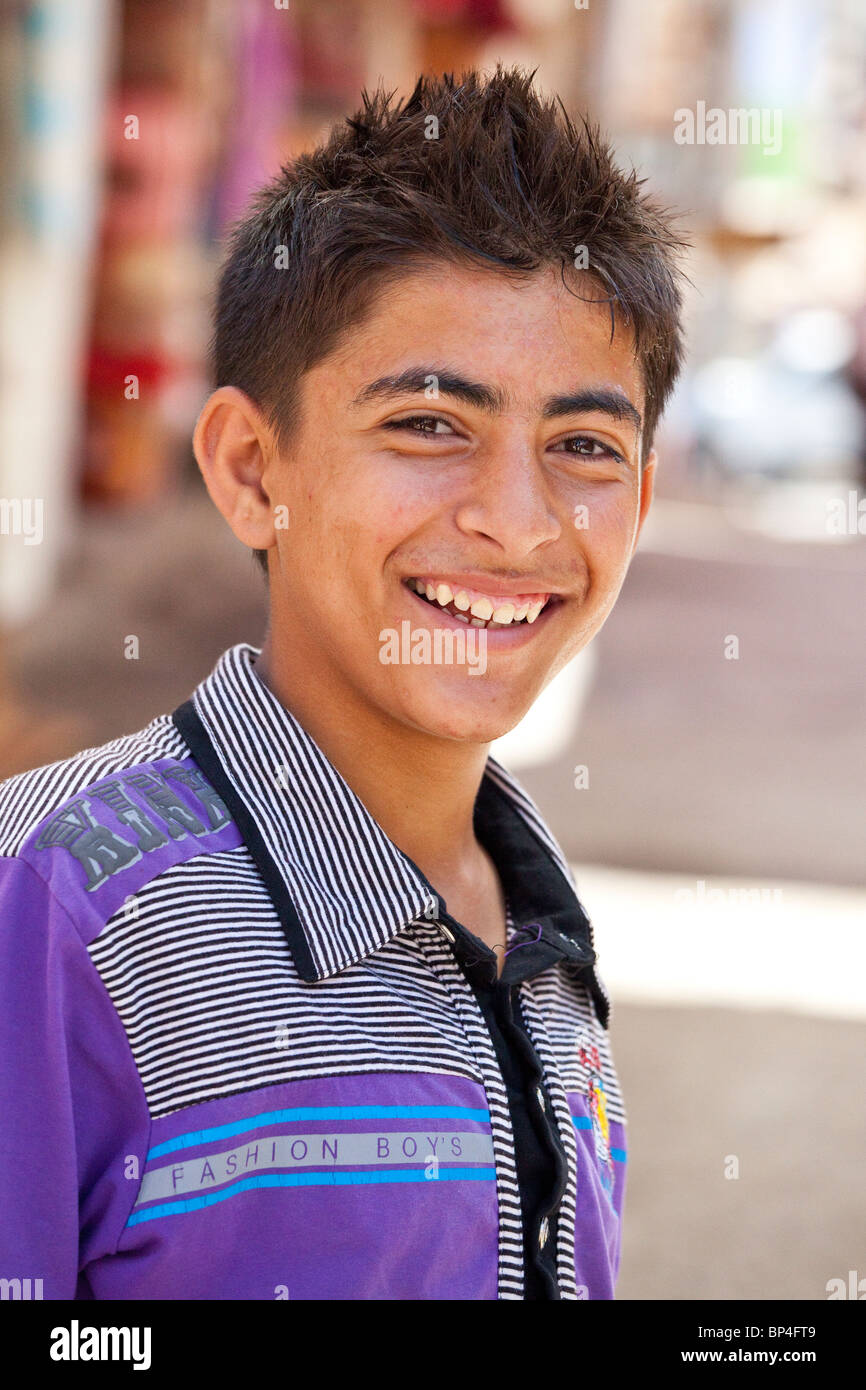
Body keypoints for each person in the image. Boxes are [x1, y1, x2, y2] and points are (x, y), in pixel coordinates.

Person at [0, 65, 685, 1300]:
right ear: (253, 468)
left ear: (637, 501)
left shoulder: (537, 939)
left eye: (582, 447)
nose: (517, 526)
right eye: (428, 425)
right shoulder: (51, 910)